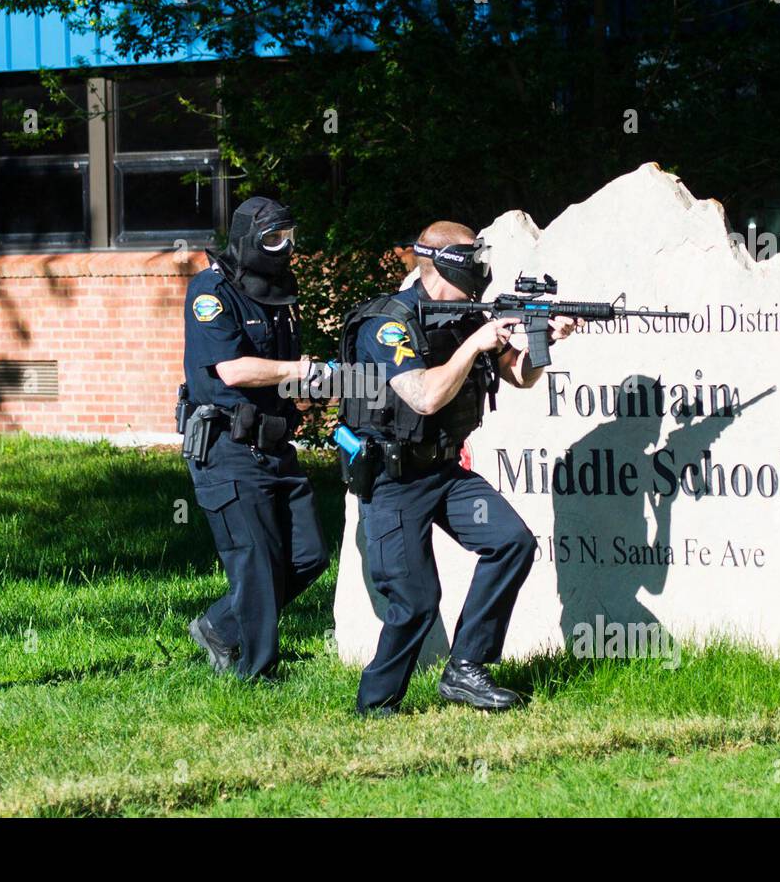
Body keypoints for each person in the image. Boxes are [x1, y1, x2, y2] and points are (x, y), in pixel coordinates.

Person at [337, 220, 580, 716]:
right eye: (473, 256)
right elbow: (423, 397)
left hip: (444, 473)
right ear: (447, 262)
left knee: (511, 542)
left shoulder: (467, 316)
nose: (482, 266)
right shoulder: (388, 323)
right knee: (417, 601)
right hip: (394, 480)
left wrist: (543, 339)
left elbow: (519, 376)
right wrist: (476, 344)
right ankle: (375, 706)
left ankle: (466, 669)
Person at [180, 196, 330, 679]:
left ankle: (220, 626)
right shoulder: (211, 291)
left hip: (275, 445)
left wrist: (309, 392)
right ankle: (257, 672)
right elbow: (233, 368)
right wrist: (302, 371)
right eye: (272, 239)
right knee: (256, 564)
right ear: (248, 240)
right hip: (227, 447)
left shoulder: (280, 292)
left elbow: (282, 375)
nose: (284, 248)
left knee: (309, 555)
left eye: (289, 237)